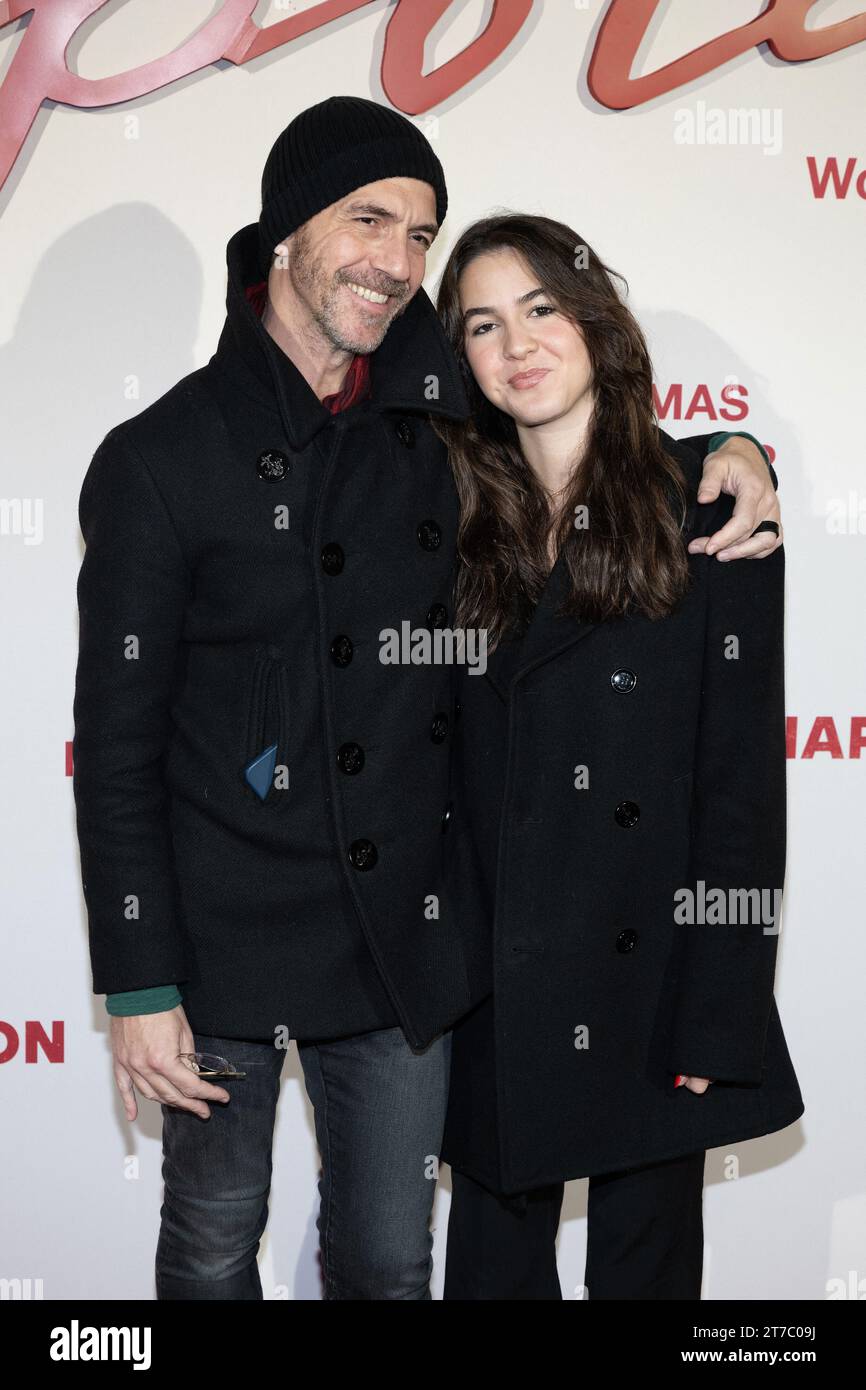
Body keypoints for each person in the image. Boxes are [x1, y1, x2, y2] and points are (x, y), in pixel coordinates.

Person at [72, 96, 782, 1301]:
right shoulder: (161, 455)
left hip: (404, 947)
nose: (397, 262)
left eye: (419, 233)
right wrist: (139, 980)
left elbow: (582, 418)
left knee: (396, 1261)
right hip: (226, 933)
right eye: (369, 221)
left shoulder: (431, 422)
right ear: (284, 232)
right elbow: (120, 743)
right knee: (208, 1238)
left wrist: (738, 448)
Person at [433, 213, 804, 1300]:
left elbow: (741, 785)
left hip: (651, 978)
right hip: (494, 975)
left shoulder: (707, 510)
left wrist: (720, 1005)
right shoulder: (448, 518)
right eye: (483, 326)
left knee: (644, 1280)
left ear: (595, 320)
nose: (518, 346)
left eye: (542, 309)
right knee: (492, 1277)